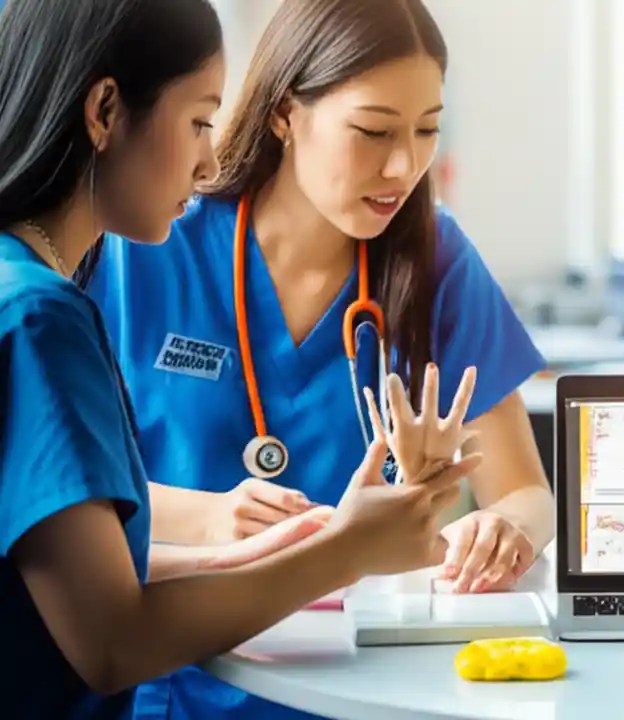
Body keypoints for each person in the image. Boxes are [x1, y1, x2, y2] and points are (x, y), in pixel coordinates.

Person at [0, 0, 476, 717]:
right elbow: (112, 643)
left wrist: (271, 551)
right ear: (104, 111)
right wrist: (347, 550)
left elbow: (64, 569)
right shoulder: (40, 319)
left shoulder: (17, 286)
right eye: (198, 121)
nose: (211, 160)